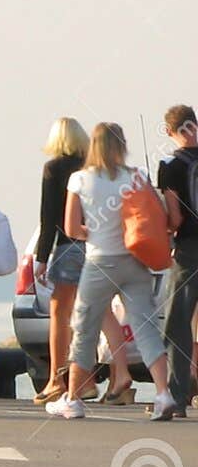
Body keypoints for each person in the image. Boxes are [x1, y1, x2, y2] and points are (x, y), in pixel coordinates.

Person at [49, 122, 178, 421]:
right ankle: (163, 394)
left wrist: (94, 232)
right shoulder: (137, 176)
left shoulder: (80, 179)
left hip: (100, 263)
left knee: (85, 329)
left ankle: (73, 398)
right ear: (122, 145)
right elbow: (154, 217)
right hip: (135, 262)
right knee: (146, 329)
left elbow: (71, 228)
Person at [30, 117, 90, 405]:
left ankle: (56, 378)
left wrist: (41, 258)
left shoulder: (54, 169)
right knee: (95, 312)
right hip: (100, 247)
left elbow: (49, 217)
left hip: (69, 246)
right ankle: (91, 379)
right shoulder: (93, 167)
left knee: (59, 311)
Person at [157, 104, 198, 418]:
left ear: (169, 132)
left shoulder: (170, 166)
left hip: (189, 249)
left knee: (178, 322)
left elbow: (174, 217)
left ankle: (178, 395)